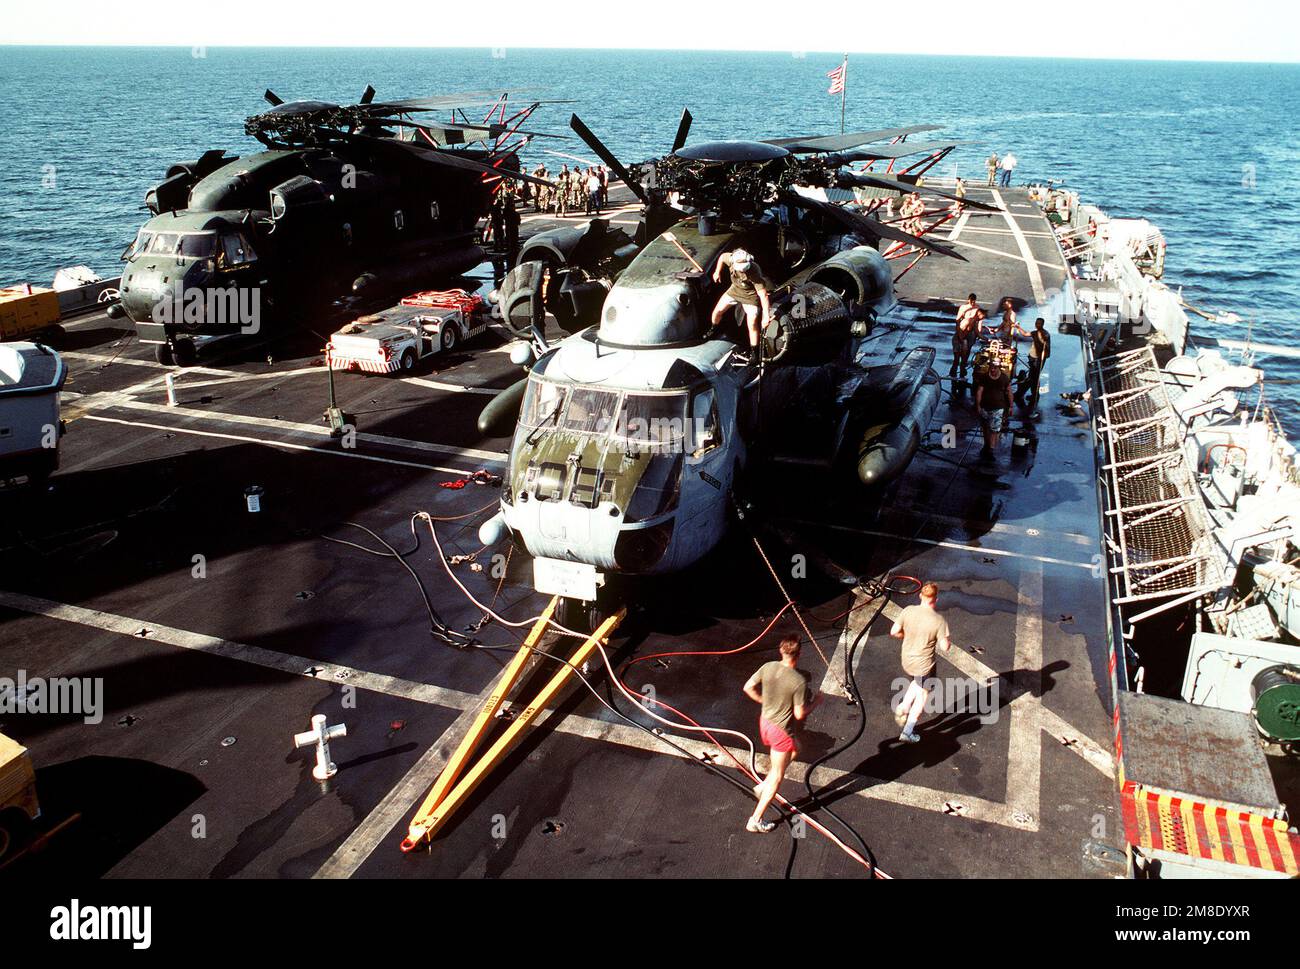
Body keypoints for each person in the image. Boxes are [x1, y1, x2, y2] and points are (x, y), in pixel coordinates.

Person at [743, 636, 819, 832]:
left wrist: (762, 700)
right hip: (780, 731)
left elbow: (748, 687)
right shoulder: (798, 681)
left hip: (765, 723)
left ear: (781, 650)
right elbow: (800, 714)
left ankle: (763, 786)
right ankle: (756, 820)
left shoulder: (768, 666)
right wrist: (817, 702)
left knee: (797, 748)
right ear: (799, 654)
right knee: (777, 777)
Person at [890, 583, 952, 743]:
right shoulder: (939, 620)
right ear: (935, 599)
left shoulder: (908, 610)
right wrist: (946, 640)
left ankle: (902, 707)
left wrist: (906, 635)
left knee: (917, 683)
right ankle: (907, 731)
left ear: (920, 596)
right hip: (924, 665)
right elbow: (945, 647)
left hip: (907, 660)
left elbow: (894, 631)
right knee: (923, 696)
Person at [710, 248, 772, 353]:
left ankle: (754, 351)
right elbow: (721, 257)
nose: (742, 270)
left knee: (752, 323)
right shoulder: (730, 259)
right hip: (735, 289)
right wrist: (717, 272)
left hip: (750, 296)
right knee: (717, 312)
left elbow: (763, 295)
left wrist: (766, 316)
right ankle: (714, 330)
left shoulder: (754, 271)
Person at [975, 359, 1012, 453]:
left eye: (995, 368)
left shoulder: (1004, 378)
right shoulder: (984, 377)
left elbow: (1009, 393)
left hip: (998, 408)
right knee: (985, 427)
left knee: (994, 429)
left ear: (999, 367)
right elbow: (979, 391)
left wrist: (1010, 406)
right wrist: (978, 405)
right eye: (991, 367)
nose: (992, 370)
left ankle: (991, 449)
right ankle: (986, 445)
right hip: (985, 407)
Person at [1017, 317, 1051, 415]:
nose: (1037, 325)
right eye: (1036, 323)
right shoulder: (1034, 333)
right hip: (1032, 356)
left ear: (1043, 324)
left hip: (1038, 359)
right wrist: (1018, 327)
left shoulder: (1045, 334)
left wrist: (1042, 358)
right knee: (1032, 376)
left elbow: (1046, 348)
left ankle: (1034, 395)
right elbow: (1025, 334)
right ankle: (1030, 393)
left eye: (1039, 323)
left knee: (1034, 377)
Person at [951, 293, 984, 378]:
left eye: (974, 301)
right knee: (957, 357)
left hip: (969, 334)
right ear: (968, 300)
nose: (973, 303)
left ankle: (962, 370)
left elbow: (979, 324)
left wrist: (981, 335)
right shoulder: (963, 308)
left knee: (966, 355)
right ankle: (954, 371)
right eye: (971, 301)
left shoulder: (977, 310)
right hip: (961, 333)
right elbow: (957, 321)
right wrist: (962, 339)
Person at [503, 193, 521, 269]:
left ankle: (511, 248)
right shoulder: (515, 214)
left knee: (510, 237)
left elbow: (504, 218)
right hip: (513, 227)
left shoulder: (506, 212)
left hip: (509, 226)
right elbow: (518, 222)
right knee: (514, 238)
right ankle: (513, 249)